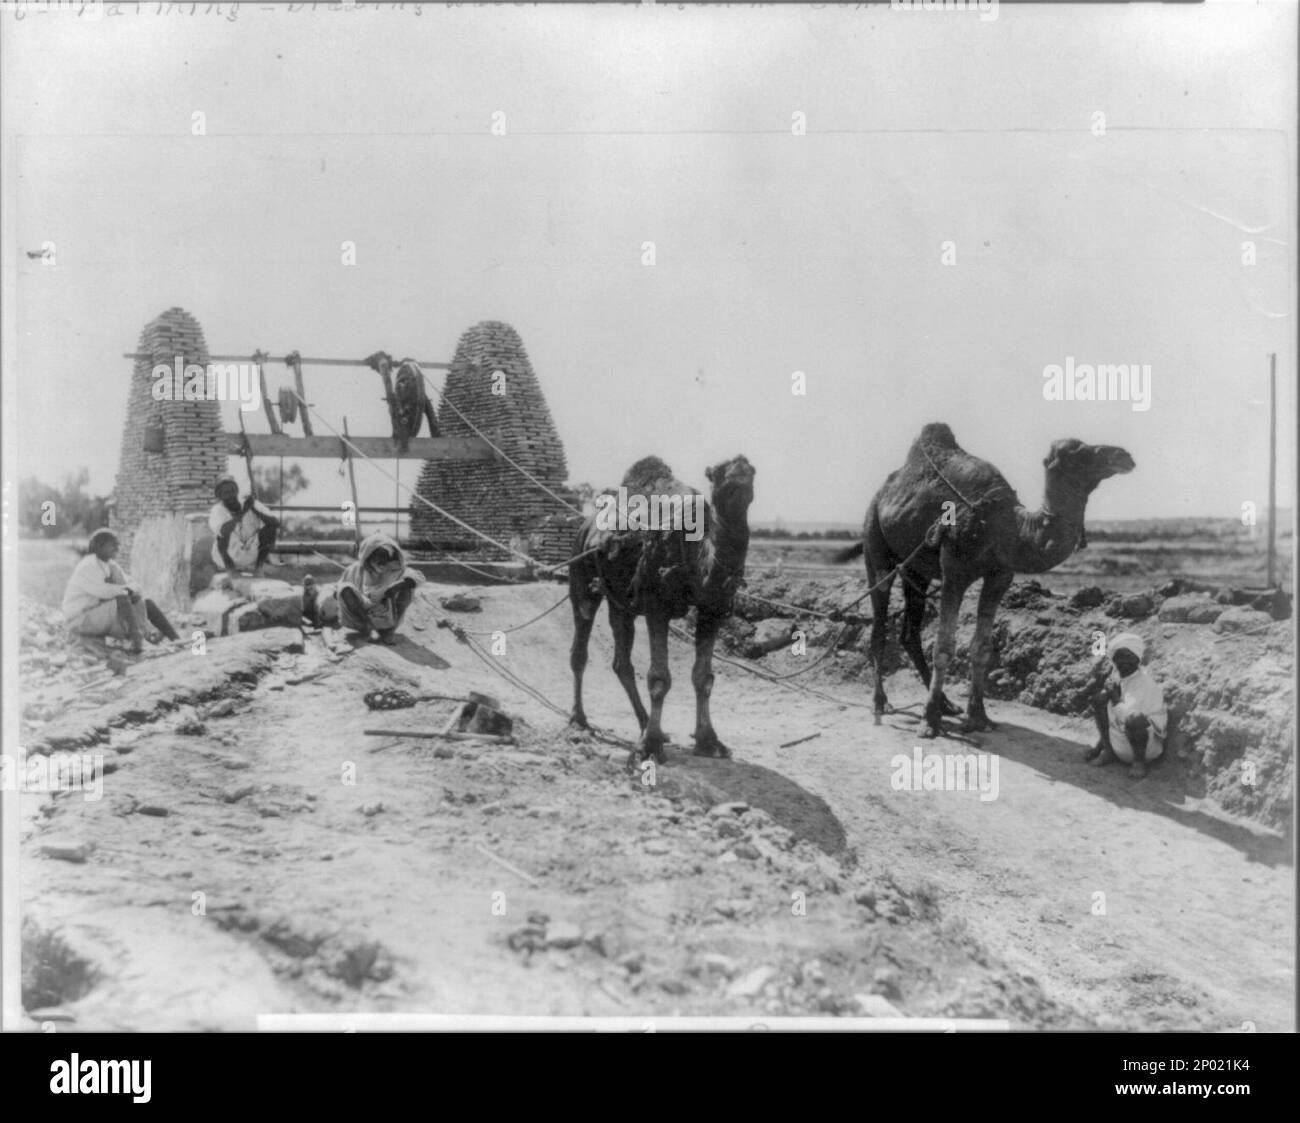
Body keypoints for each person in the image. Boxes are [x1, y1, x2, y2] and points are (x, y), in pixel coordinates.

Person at [62, 529, 181, 654]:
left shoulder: (110, 564)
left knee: (146, 603)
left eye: (117, 545)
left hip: (98, 614)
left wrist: (131, 591)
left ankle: (175, 638)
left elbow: (133, 584)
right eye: (113, 545)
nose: (117, 548)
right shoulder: (88, 565)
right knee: (122, 598)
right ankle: (138, 643)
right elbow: (102, 591)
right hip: (80, 619)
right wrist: (127, 591)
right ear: (99, 546)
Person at [1083, 632, 1168, 779]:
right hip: (1119, 744)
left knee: (1134, 718)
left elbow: (1129, 718)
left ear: (1137, 659)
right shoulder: (1116, 679)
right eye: (1120, 656)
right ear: (1114, 659)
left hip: (1144, 748)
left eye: (1129, 656)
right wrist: (1099, 746)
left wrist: (1115, 698)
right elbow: (1111, 717)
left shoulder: (1146, 684)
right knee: (1099, 699)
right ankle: (1108, 751)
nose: (1124, 661)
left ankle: (1139, 764)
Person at [323, 532, 424, 645]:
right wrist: (348, 598)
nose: (383, 566)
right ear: (368, 557)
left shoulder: (396, 568)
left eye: (386, 561)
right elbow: (337, 590)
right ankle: (368, 628)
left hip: (388, 613)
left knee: (408, 586)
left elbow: (418, 577)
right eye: (379, 561)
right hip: (362, 613)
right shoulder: (355, 569)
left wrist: (398, 585)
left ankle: (388, 631)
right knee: (345, 588)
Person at [209, 474, 280, 577]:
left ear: (237, 491)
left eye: (233, 491)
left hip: (250, 552)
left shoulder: (250, 503)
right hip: (228, 556)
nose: (231, 495)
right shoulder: (217, 510)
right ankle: (231, 571)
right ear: (219, 496)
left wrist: (254, 509)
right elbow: (223, 531)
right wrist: (243, 511)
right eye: (226, 493)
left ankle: (259, 569)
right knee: (223, 534)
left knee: (270, 528)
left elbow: (276, 523)